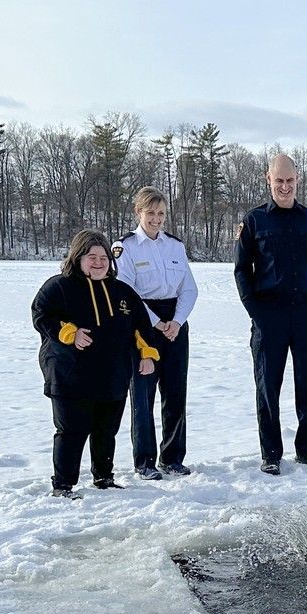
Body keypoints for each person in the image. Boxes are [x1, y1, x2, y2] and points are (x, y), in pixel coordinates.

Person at [31, 230, 160, 499]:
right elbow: (41, 314)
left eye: (103, 257)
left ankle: (103, 477)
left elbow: (141, 326)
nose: (99, 262)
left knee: (106, 430)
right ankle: (63, 486)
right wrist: (69, 333)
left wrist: (147, 354)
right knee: (72, 430)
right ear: (78, 257)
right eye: (92, 256)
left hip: (113, 373)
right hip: (69, 373)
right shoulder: (59, 287)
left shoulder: (123, 292)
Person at [234, 154, 307, 476]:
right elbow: (241, 271)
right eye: (279, 181)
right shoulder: (254, 222)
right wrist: (255, 311)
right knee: (267, 388)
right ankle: (271, 454)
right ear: (268, 180)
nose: (284, 186)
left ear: (298, 180)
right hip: (269, 315)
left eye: (290, 180)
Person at [114, 186, 198, 480]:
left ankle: (173, 457)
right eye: (151, 213)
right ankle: (145, 461)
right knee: (143, 395)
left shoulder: (175, 246)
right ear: (139, 212)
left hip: (175, 325)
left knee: (175, 393)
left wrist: (176, 322)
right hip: (141, 325)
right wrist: (156, 324)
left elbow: (189, 288)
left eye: (161, 213)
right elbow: (125, 292)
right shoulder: (125, 248)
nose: (157, 219)